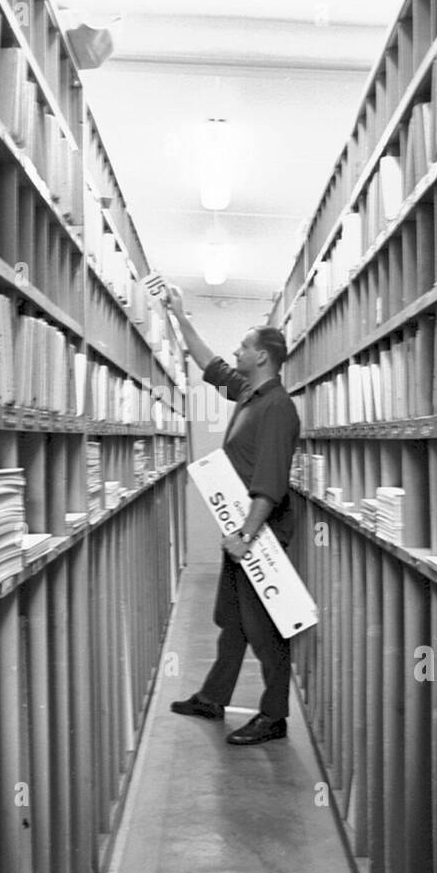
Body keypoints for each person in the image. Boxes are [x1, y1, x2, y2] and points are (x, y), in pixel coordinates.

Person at [165, 286, 302, 745]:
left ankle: (274, 716)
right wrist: (181, 318)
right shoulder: (248, 395)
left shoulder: (278, 408)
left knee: (265, 629)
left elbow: (271, 480)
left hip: (258, 534)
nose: (235, 352)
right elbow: (210, 367)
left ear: (262, 356)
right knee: (234, 620)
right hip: (239, 531)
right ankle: (213, 697)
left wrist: (246, 534)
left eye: (243, 346)